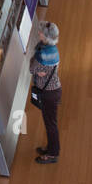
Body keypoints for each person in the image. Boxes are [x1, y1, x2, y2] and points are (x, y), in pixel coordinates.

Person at [30, 21, 61, 164]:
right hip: (54, 90)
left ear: (46, 37)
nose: (39, 33)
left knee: (50, 125)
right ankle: (50, 148)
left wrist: (36, 66)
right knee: (50, 123)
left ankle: (53, 154)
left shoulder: (42, 55)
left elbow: (32, 68)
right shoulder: (52, 49)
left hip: (48, 93)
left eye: (41, 32)